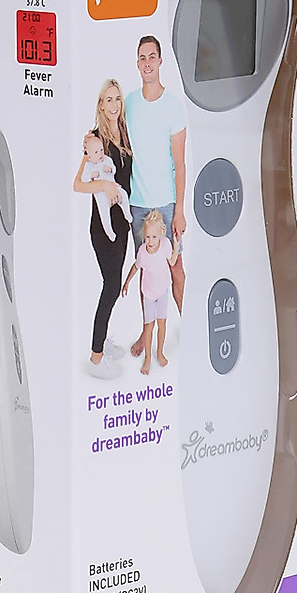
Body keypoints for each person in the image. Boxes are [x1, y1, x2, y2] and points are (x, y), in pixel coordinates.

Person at [124, 36, 187, 358]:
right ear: (137, 64)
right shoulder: (129, 103)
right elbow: (111, 134)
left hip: (166, 203)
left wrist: (180, 210)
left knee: (175, 269)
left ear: (160, 61)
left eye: (152, 56)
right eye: (142, 57)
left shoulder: (173, 107)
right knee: (148, 270)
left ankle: (190, 327)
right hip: (138, 202)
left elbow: (180, 163)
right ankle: (145, 335)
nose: (147, 62)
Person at [73, 79, 134, 379]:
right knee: (111, 286)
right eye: (108, 100)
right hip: (102, 227)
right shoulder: (94, 139)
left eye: (117, 99)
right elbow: (78, 184)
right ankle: (96, 357)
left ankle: (103, 340)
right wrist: (105, 185)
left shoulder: (125, 133)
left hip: (122, 224)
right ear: (100, 105)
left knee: (113, 283)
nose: (114, 105)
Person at [121, 211, 180, 375]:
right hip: (148, 293)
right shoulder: (143, 252)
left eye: (154, 237)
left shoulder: (165, 245)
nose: (150, 241)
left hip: (162, 291)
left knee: (162, 323)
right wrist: (126, 283)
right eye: (147, 237)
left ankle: (159, 352)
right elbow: (135, 267)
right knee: (149, 326)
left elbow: (172, 261)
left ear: (161, 234)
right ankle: (147, 358)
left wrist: (176, 244)